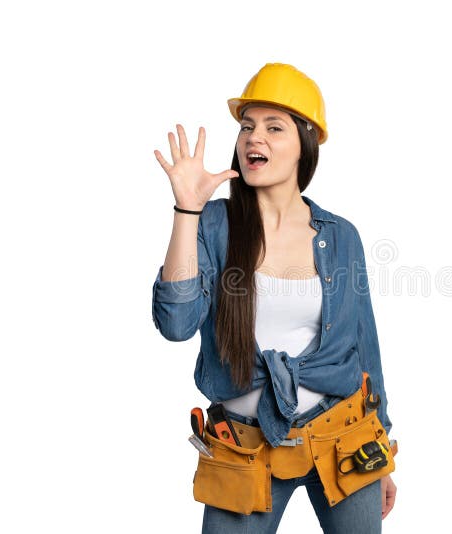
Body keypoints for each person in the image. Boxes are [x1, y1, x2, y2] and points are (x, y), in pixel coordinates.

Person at [151, 63, 397, 533]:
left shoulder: (341, 236)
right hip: (244, 451)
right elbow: (176, 325)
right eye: (247, 126)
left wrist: (384, 445)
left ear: (306, 142)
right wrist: (187, 210)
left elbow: (365, 347)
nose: (253, 138)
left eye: (273, 127)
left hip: (345, 439)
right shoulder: (214, 225)